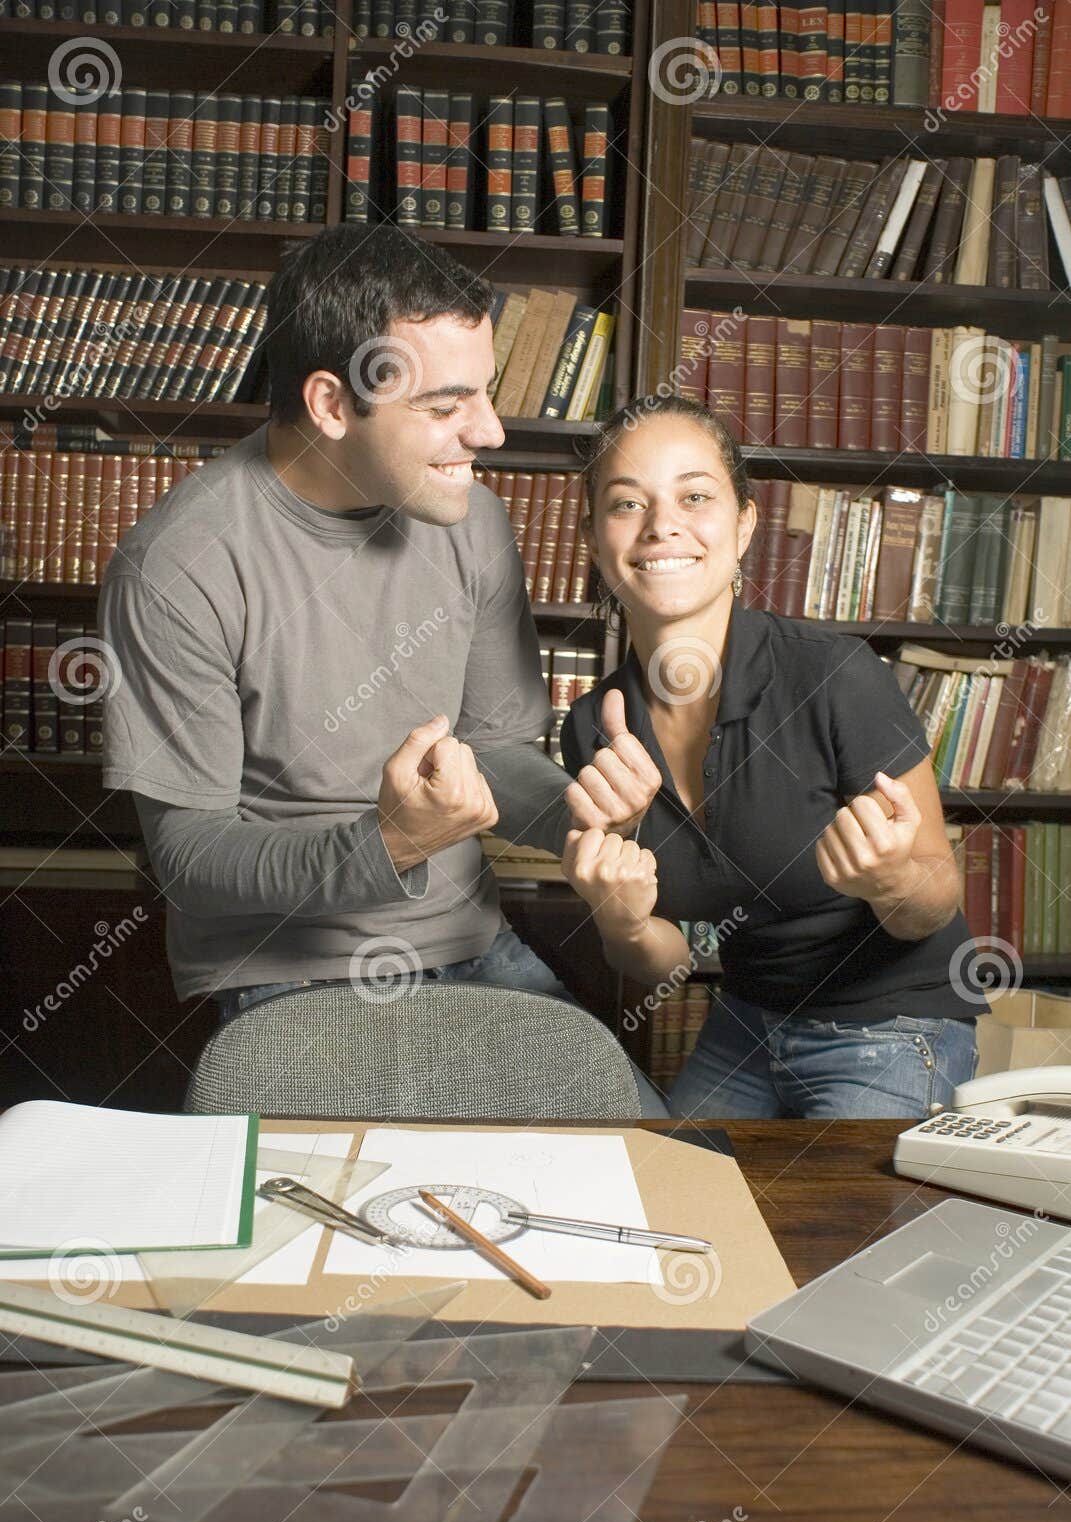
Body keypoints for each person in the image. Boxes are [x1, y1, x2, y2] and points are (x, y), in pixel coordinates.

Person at [98, 223, 666, 1113]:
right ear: (332, 404)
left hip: (472, 947)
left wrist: (579, 809)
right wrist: (388, 845)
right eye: (445, 407)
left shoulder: (472, 520)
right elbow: (188, 855)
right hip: (289, 973)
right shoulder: (178, 565)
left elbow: (493, 752)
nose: (489, 431)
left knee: (656, 1169)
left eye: (484, 392)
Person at [559, 394, 985, 1120]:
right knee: (673, 1187)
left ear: (744, 526)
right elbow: (660, 962)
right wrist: (619, 920)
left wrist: (890, 880)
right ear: (595, 542)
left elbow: (932, 902)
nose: (662, 525)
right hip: (746, 1025)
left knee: (830, 1202)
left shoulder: (832, 675)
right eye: (627, 503)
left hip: (892, 1021)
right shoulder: (593, 726)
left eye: (695, 497)